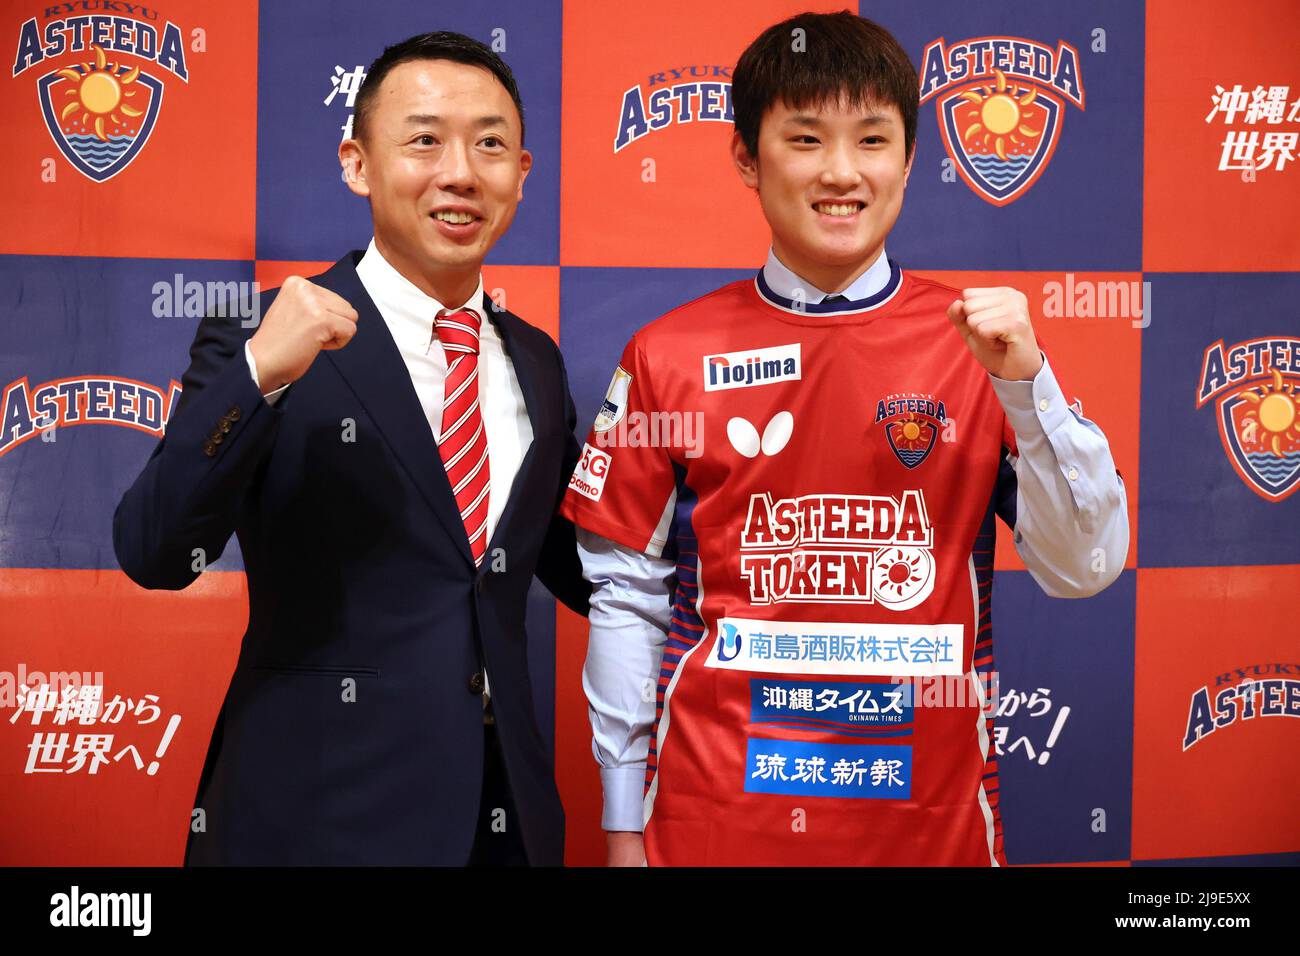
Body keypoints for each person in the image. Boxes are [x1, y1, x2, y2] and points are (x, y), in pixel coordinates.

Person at [559, 11, 1129, 866]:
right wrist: (620, 825)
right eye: (805, 138)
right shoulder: (667, 352)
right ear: (747, 158)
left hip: (930, 828)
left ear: (907, 160)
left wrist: (1028, 383)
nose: (840, 172)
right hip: (712, 821)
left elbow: (1086, 568)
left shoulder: (980, 346)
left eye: (871, 139)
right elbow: (627, 601)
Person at [113, 31, 589, 866]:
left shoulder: (536, 362)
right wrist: (261, 372)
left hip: (502, 821)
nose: (460, 173)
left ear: (523, 174)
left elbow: (582, 562)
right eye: (424, 139)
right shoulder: (262, 334)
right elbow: (156, 549)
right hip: (314, 819)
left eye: (490, 144)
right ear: (357, 164)